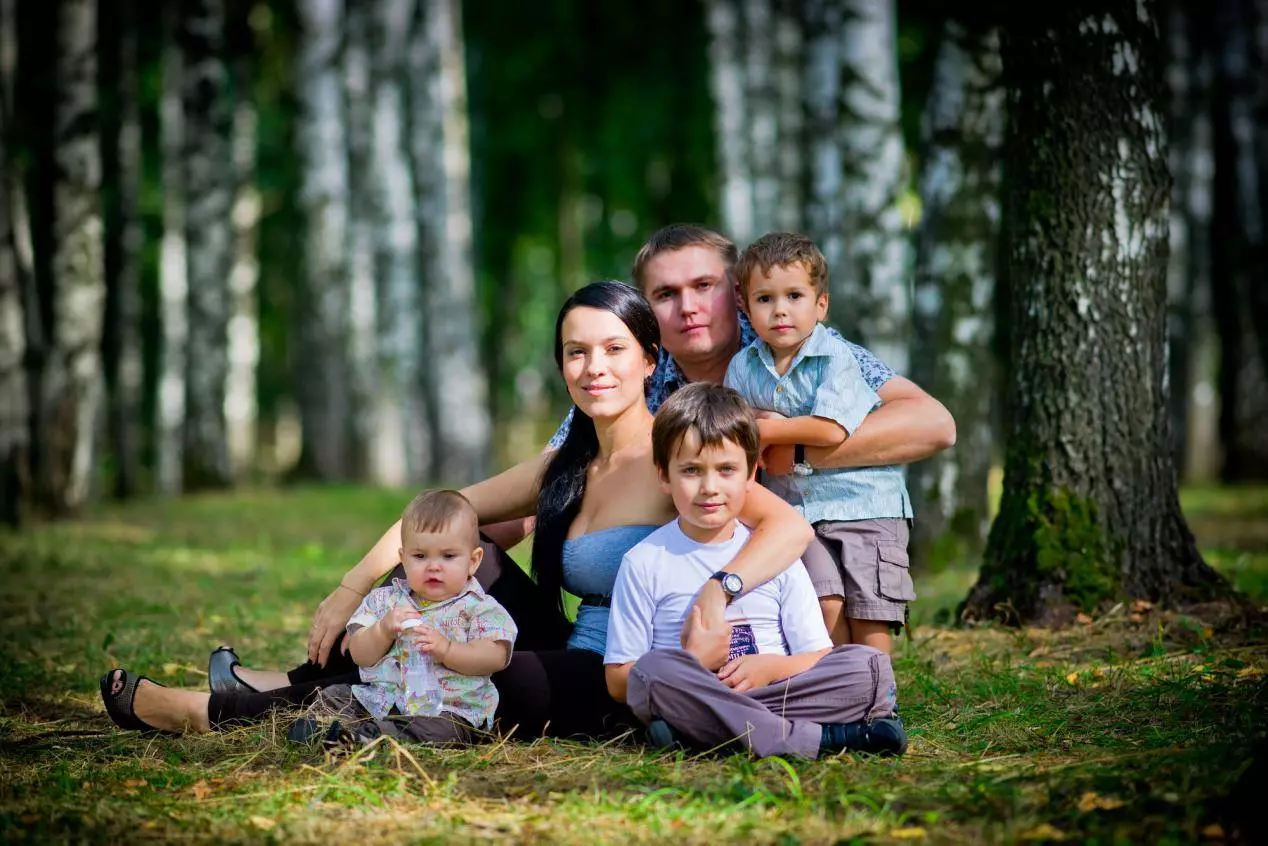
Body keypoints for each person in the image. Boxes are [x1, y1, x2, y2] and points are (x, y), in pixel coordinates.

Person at [220, 225, 952, 695]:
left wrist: (776, 442)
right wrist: (380, 581)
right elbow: (545, 493)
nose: (689, 306)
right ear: (647, 324)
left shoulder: (799, 353)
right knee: (451, 558)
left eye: (704, 287)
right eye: (665, 294)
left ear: (739, 295)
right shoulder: (629, 389)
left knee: (839, 649)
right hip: (619, 620)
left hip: (790, 567)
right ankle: (294, 686)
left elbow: (934, 424)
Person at [99, 282, 814, 739]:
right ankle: (288, 684)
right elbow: (437, 514)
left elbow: (789, 525)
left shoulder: (676, 460)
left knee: (469, 669)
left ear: (650, 357)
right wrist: (351, 587)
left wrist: (722, 594)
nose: (594, 368)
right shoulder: (564, 462)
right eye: (575, 352)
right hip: (566, 640)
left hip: (620, 675)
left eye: (613, 350)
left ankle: (220, 710)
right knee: (447, 562)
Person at [604, 383, 906, 759]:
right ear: (664, 475)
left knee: (868, 664)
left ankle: (708, 734)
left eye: (727, 469)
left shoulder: (771, 556)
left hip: (777, 693)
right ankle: (815, 740)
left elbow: (816, 655)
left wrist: (773, 668)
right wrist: (693, 662)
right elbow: (620, 681)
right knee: (654, 672)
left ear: (752, 474)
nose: (709, 487)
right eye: (691, 471)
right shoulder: (645, 561)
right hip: (693, 690)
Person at [724, 233, 914, 654]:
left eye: (794, 296)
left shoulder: (836, 357)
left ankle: (880, 704)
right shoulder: (742, 367)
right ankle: (844, 693)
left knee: (869, 610)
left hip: (865, 505)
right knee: (823, 603)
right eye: (765, 299)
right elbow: (737, 438)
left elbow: (830, 429)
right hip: (796, 512)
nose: (781, 311)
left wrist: (768, 429)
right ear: (746, 306)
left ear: (821, 304)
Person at [301, 489, 515, 746]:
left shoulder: (479, 608)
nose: (433, 566)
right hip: (382, 700)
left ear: (473, 561)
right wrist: (382, 631)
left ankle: (368, 738)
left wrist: (447, 650)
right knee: (335, 696)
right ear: (403, 559)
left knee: (445, 731)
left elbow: (496, 656)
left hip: (446, 710)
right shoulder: (385, 601)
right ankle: (321, 730)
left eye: (448, 556)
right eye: (420, 556)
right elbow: (360, 654)